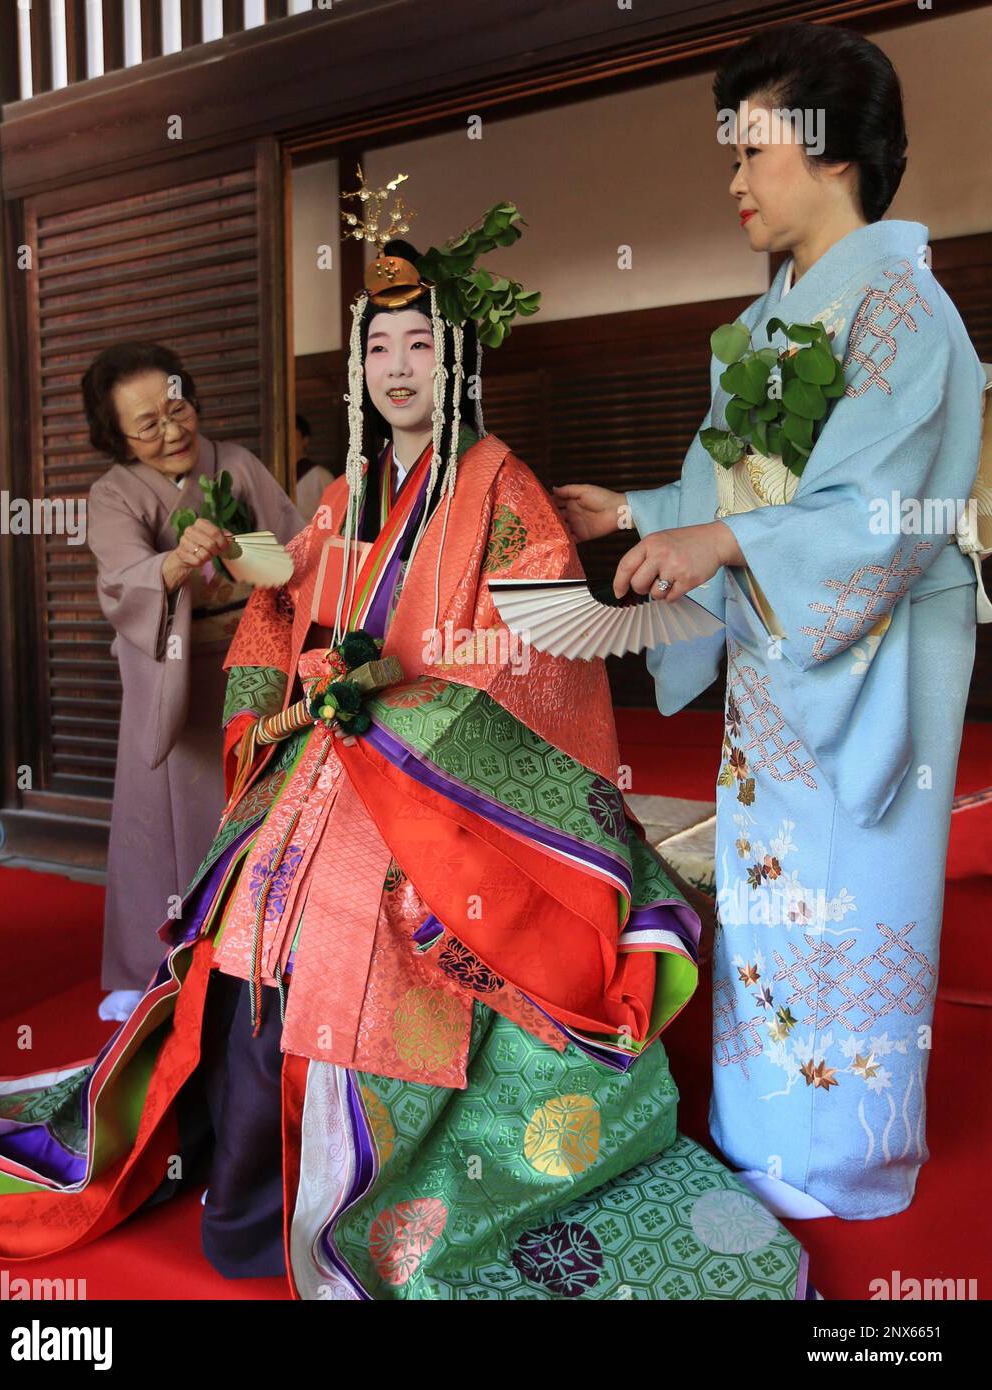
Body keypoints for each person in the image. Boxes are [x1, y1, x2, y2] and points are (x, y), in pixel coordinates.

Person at [0, 179, 814, 1300]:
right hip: (326, 755)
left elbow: (535, 654)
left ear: (454, 361)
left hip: (442, 791)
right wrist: (296, 660)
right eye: (379, 348)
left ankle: (352, 1193)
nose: (399, 367)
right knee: (237, 930)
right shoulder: (351, 487)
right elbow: (285, 606)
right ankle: (236, 1180)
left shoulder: (501, 483)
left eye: (420, 344)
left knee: (342, 934)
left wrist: (395, 704)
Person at [554, 22, 984, 1222]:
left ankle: (844, 1157)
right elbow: (726, 484)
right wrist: (638, 510)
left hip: (874, 651)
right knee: (765, 882)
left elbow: (883, 514)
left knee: (854, 887)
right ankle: (761, 1132)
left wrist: (725, 541)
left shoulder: (903, 311)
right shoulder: (765, 326)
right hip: (778, 655)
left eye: (751, 150)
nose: (734, 179)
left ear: (833, 151)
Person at [83, 342, 304, 1022]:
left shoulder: (235, 465)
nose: (171, 431)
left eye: (175, 409)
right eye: (146, 425)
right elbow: (121, 582)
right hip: (172, 664)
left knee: (263, 802)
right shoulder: (114, 492)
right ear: (116, 437)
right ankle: (143, 966)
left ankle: (264, 950)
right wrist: (174, 564)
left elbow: (299, 549)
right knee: (160, 818)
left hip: (256, 658)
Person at [293, 413, 335, 522]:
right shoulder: (274, 475)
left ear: (305, 440)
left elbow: (333, 517)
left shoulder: (321, 476)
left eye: (292, 436)